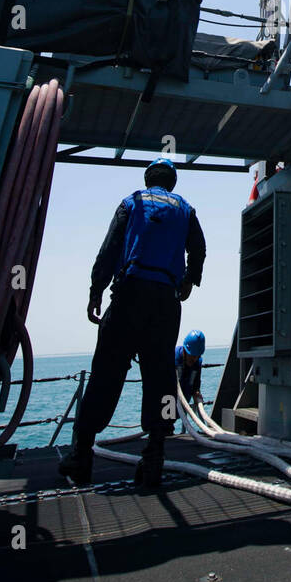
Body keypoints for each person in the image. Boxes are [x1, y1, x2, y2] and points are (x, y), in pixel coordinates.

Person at [58, 156, 206, 489]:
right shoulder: (186, 209)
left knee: (106, 374)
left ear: (147, 177)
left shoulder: (132, 202)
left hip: (128, 297)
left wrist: (96, 290)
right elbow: (199, 248)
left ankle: (81, 456)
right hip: (165, 304)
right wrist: (188, 281)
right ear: (172, 181)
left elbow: (110, 248)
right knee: (161, 378)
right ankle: (154, 456)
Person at [175, 329, 206, 432]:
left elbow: (196, 384)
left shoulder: (197, 363)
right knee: (167, 425)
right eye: (192, 356)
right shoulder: (173, 357)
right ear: (184, 350)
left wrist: (196, 393)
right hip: (169, 399)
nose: (194, 359)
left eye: (197, 356)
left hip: (185, 400)